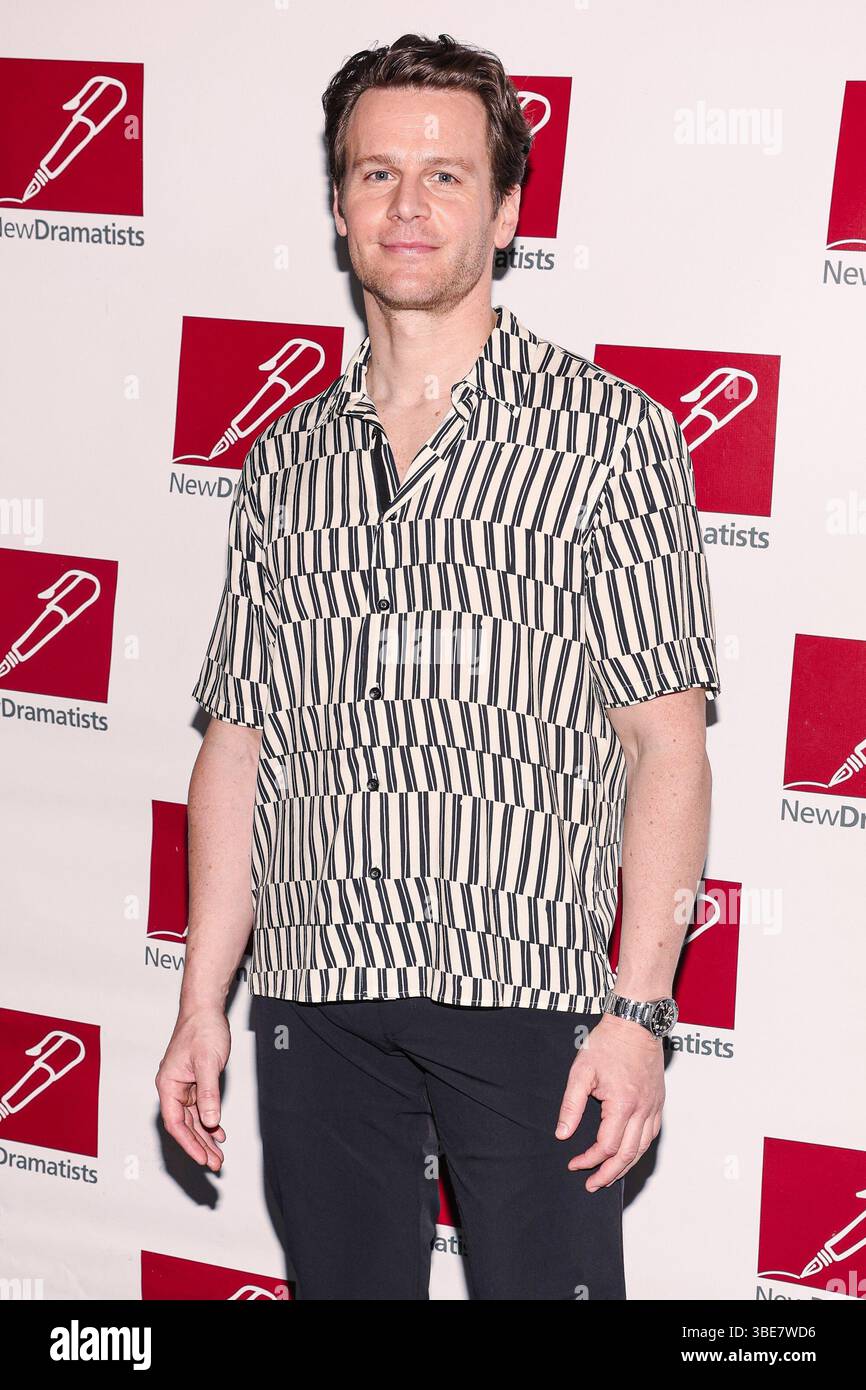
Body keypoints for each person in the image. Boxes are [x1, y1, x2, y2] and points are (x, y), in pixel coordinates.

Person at [156, 32, 721, 1301]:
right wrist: (201, 1000)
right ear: (340, 206)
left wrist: (636, 1014)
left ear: (508, 208)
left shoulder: (608, 437)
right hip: (316, 995)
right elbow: (238, 742)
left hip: (529, 997)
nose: (407, 206)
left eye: (446, 175)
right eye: (375, 174)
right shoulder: (284, 460)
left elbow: (663, 744)